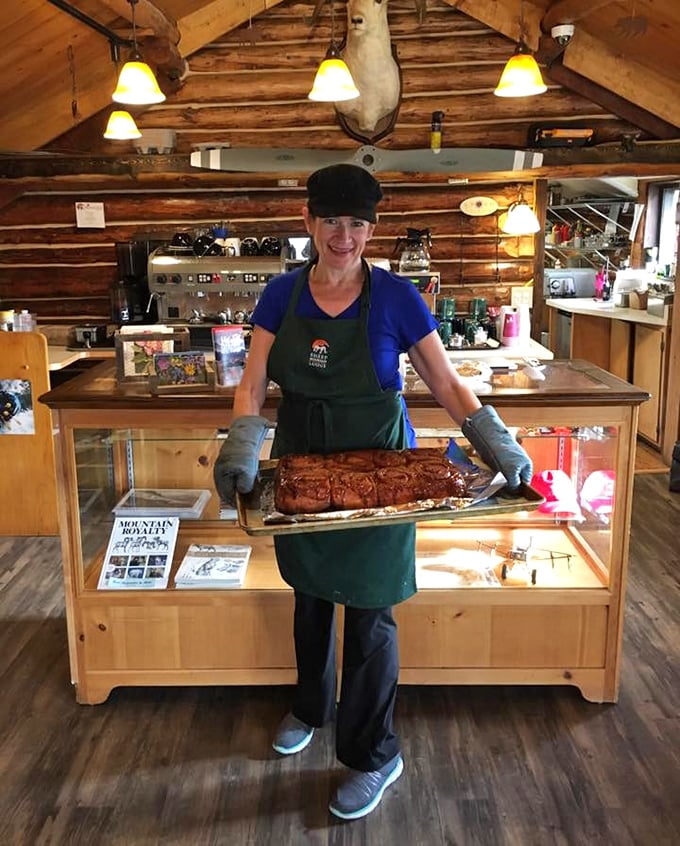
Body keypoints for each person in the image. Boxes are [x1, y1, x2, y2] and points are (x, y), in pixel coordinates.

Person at [214, 164, 532, 820]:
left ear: (370, 230)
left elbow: (445, 383)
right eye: (331, 220)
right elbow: (253, 381)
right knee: (309, 599)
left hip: (386, 476)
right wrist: (244, 442)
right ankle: (310, 707)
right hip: (303, 462)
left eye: (357, 223)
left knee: (369, 617)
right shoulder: (280, 295)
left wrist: (496, 442)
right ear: (308, 222)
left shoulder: (397, 298)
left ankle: (375, 754)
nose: (344, 235)